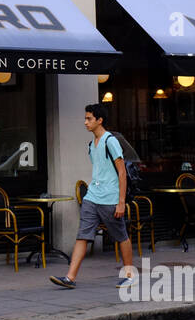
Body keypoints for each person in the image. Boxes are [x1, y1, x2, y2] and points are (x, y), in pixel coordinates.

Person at [50, 103, 136, 290]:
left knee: (121, 236)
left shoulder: (110, 141)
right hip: (92, 197)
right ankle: (70, 277)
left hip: (110, 199)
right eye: (85, 118)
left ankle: (129, 275)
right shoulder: (91, 144)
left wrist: (121, 202)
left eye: (89, 118)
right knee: (83, 236)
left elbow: (122, 172)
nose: (85, 122)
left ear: (99, 120)